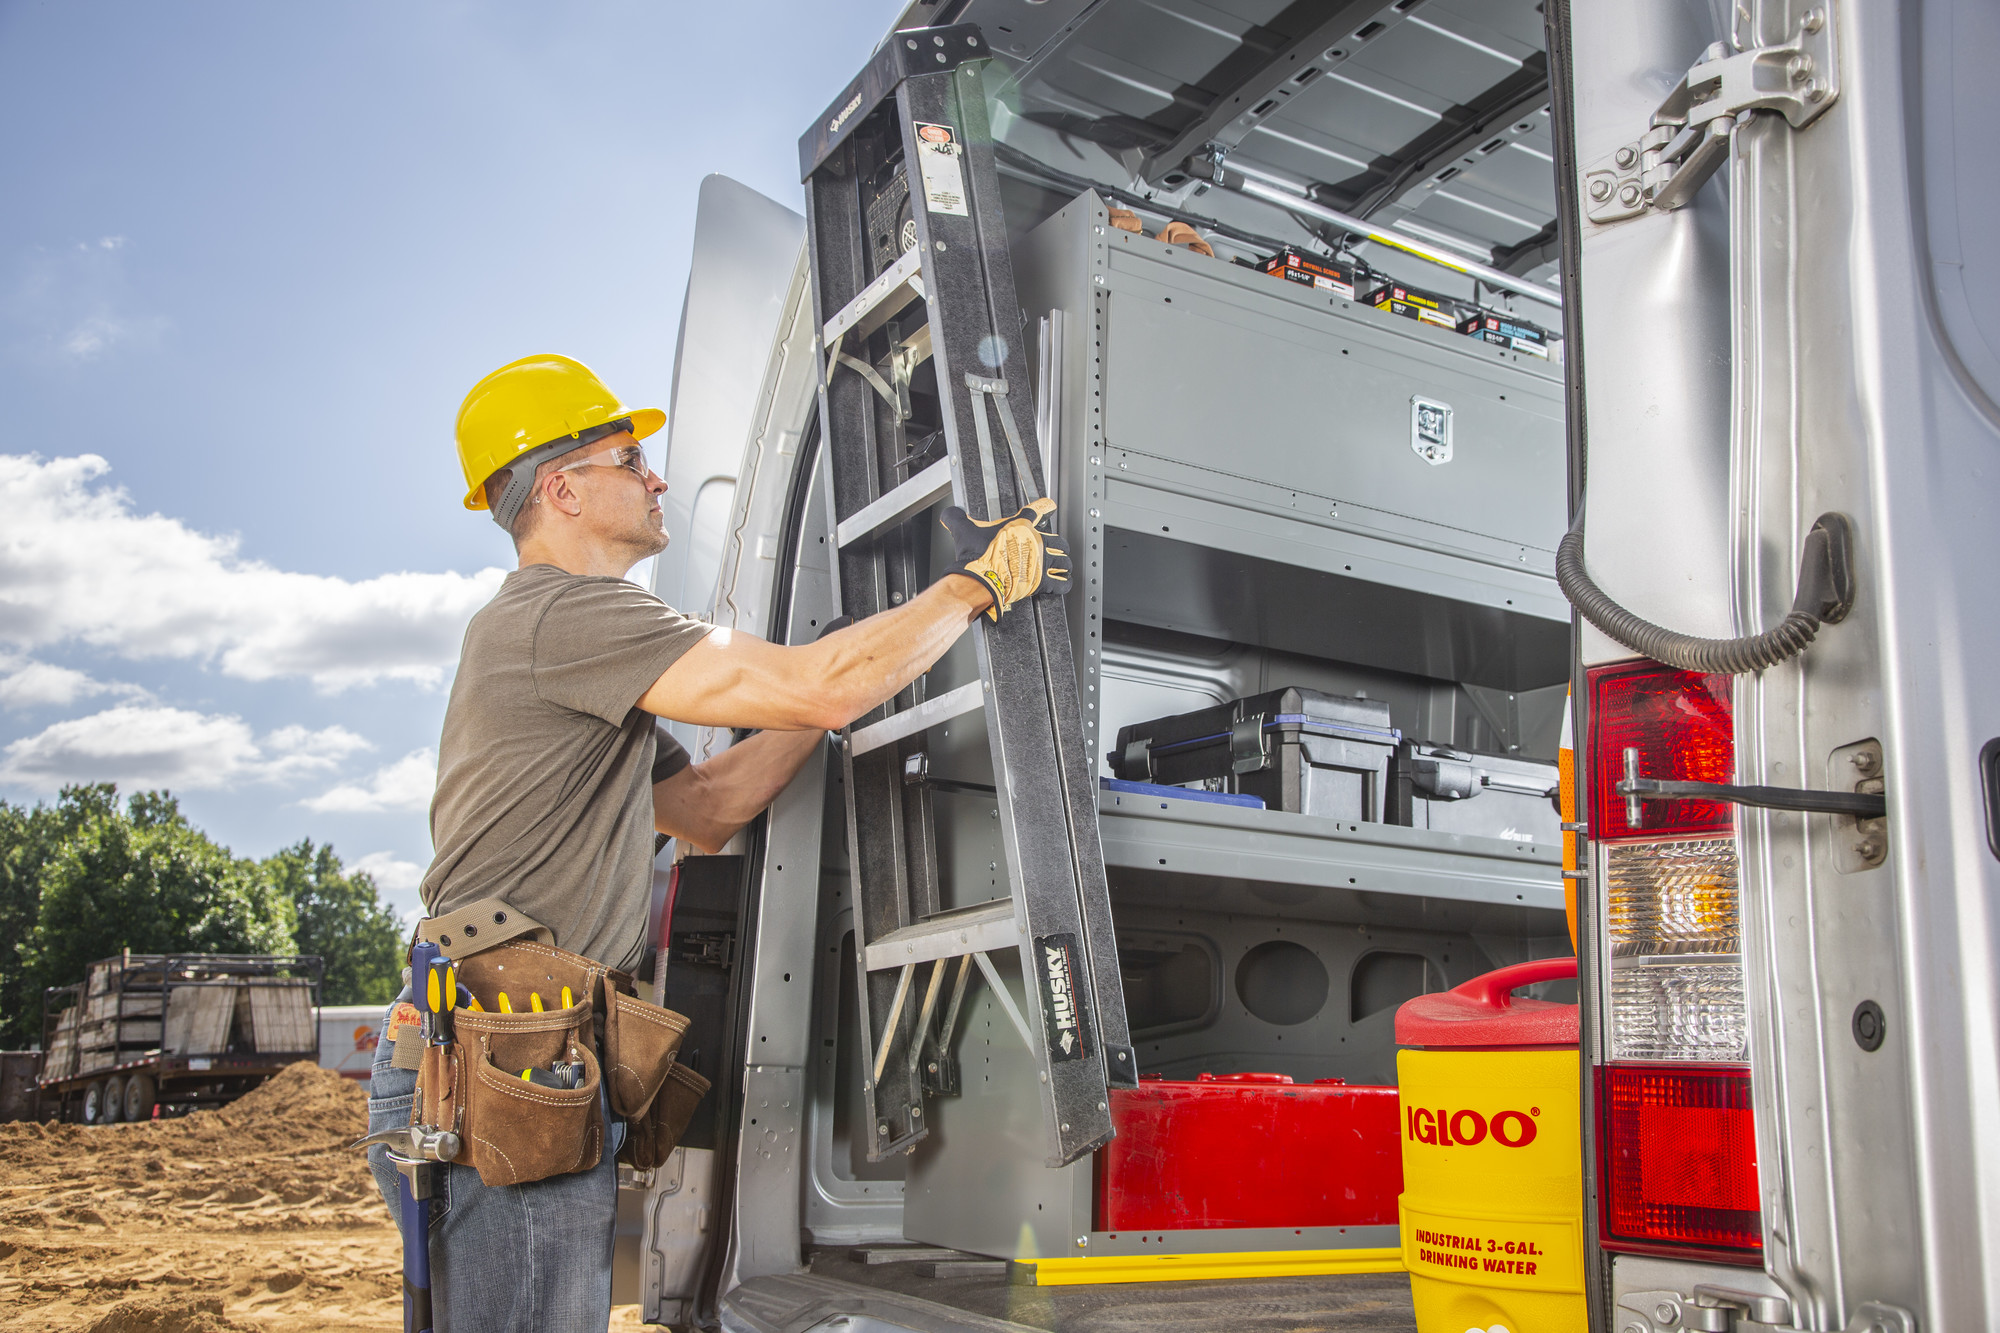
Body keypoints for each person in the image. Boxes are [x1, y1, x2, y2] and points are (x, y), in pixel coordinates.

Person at [365, 353, 1067, 1332]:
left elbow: (704, 807)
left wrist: (849, 677)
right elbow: (816, 686)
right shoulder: (565, 613)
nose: (656, 478)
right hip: (502, 1047)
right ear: (561, 487)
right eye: (630, 457)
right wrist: (968, 588)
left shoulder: (574, 648)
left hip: (519, 1042)